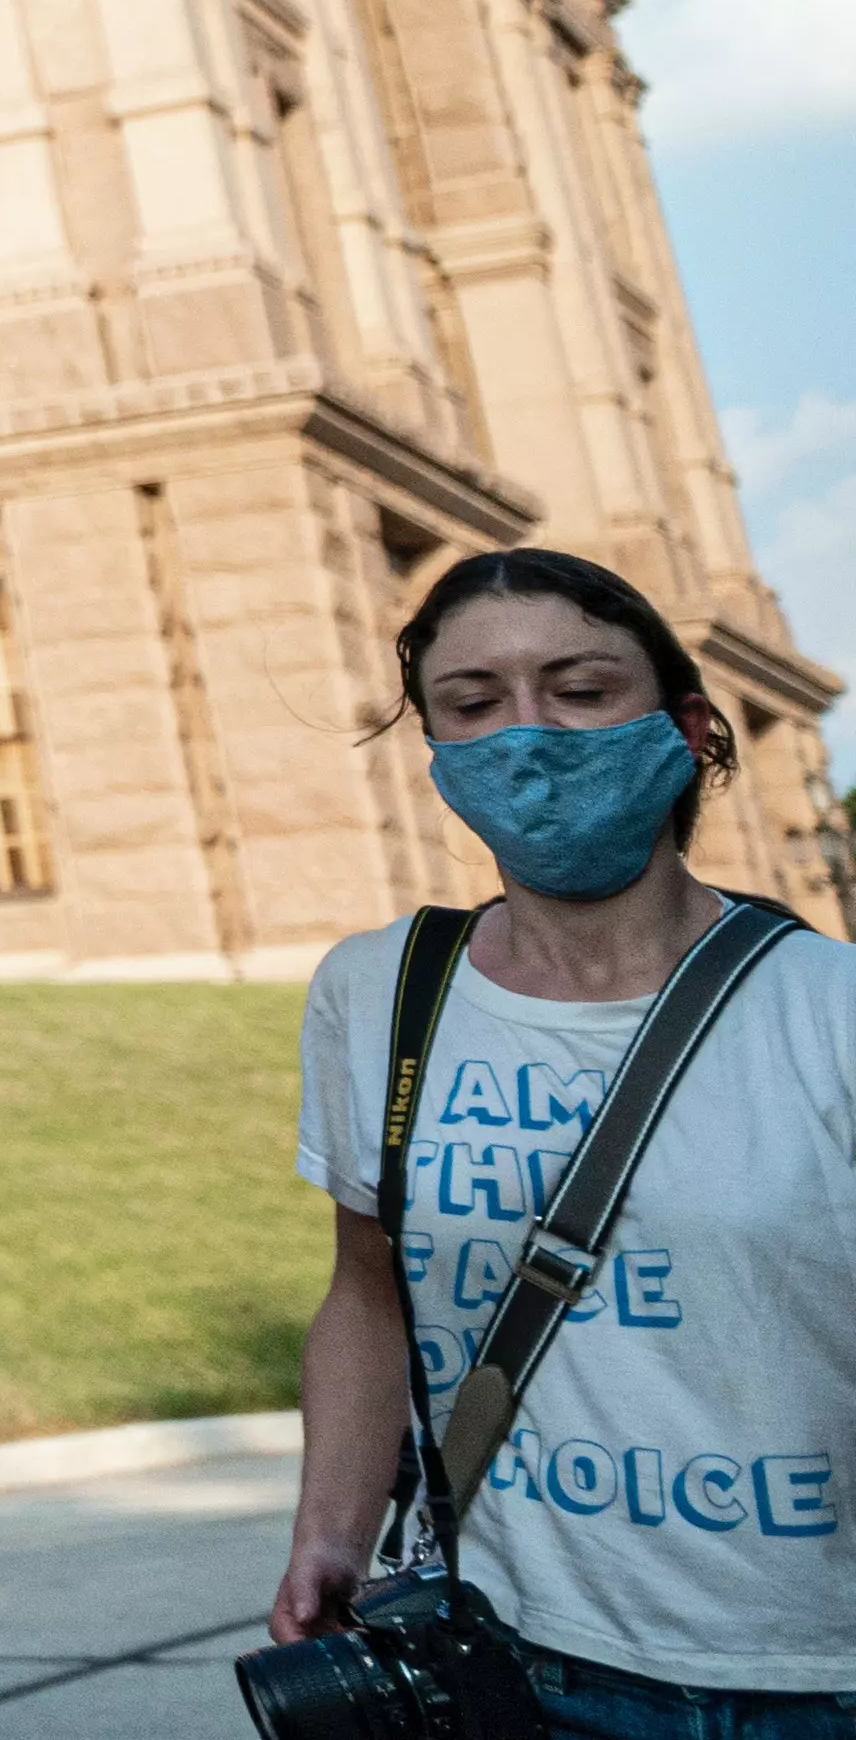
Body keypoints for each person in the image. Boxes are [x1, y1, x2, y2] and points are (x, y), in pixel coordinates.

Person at [270, 546, 856, 1738]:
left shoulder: (829, 1008)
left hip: (815, 1668)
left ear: (687, 726)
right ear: (434, 750)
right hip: (515, 1658)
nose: (526, 735)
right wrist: (330, 1527)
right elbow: (369, 1294)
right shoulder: (376, 992)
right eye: (473, 704)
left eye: (581, 690)